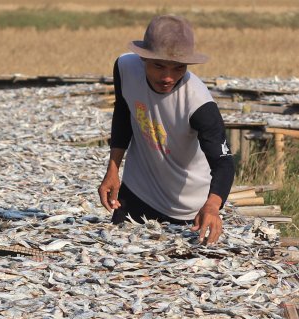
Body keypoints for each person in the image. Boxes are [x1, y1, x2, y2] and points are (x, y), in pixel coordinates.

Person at [98, 15, 235, 245]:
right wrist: (112, 169)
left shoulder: (198, 103)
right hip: (137, 191)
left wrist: (212, 206)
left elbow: (224, 162)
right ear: (143, 58)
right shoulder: (125, 68)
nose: (167, 77)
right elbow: (124, 111)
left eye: (178, 67)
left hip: (186, 208)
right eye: (158, 65)